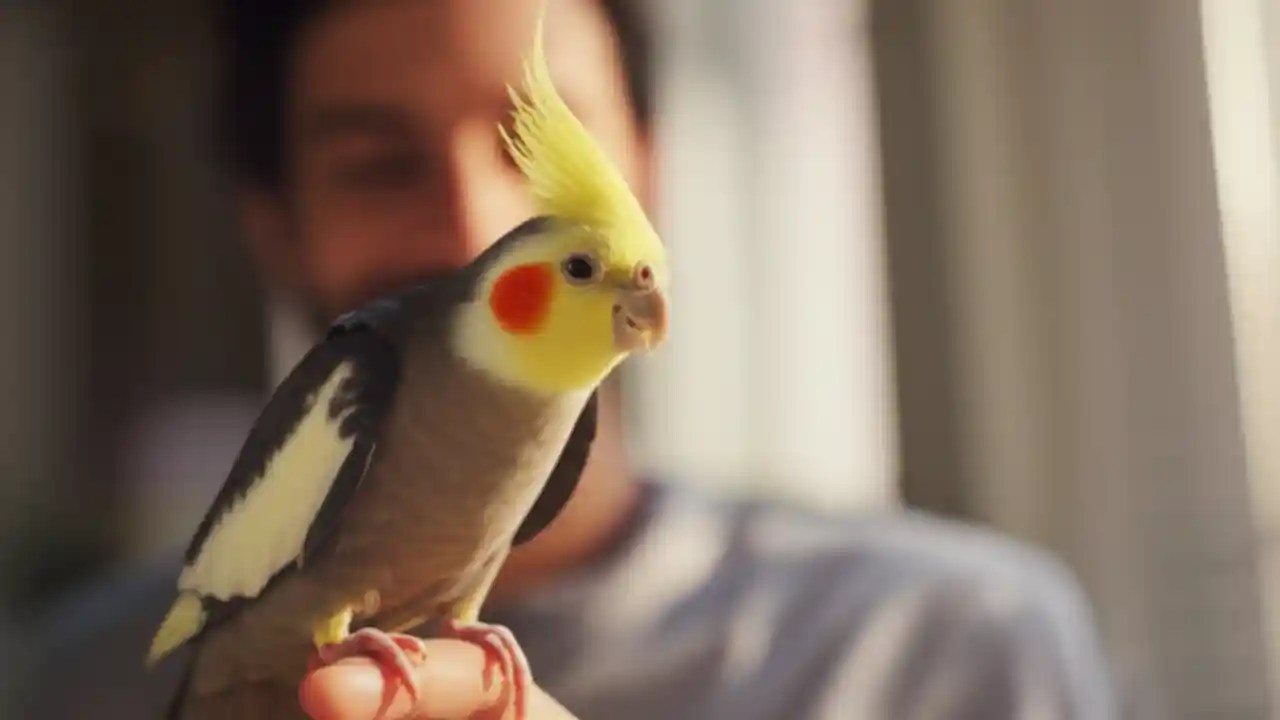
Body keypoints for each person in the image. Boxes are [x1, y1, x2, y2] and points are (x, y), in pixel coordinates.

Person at [21, 0, 1120, 718]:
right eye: (380, 165)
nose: (472, 227)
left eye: (527, 157)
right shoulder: (53, 689)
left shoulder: (958, 649)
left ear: (648, 166)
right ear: (272, 221)